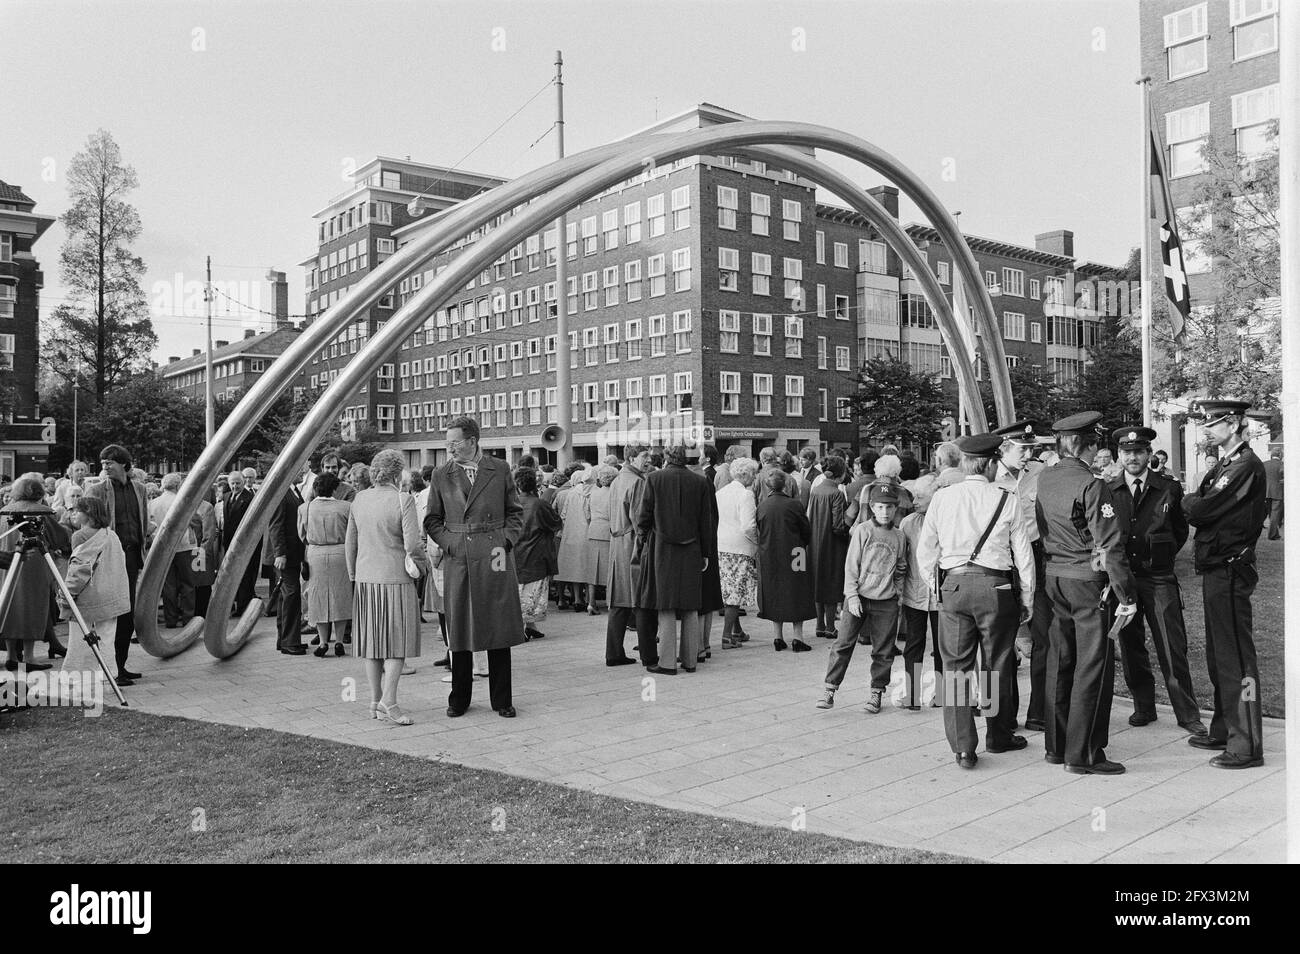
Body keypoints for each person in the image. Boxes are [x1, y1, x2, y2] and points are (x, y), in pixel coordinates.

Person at [917, 435, 1035, 769]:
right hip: (995, 586)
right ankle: (998, 736)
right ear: (991, 463)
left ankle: (963, 747)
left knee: (955, 668)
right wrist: (1026, 596)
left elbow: (925, 550)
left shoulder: (943, 498)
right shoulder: (1006, 497)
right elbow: (1023, 555)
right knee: (997, 664)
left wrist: (937, 587)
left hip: (953, 585)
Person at [1036, 412, 1137, 775]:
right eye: (1095, 445)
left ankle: (1056, 745)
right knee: (1092, 666)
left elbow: (1043, 527)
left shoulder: (1046, 478)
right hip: (1087, 581)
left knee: (1060, 661)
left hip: (1055, 576)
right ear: (1084, 444)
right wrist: (1126, 595)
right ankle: (1084, 754)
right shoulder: (1092, 485)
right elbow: (1110, 545)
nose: (1098, 452)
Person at [1182, 399, 1268, 769]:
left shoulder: (1246, 465)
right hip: (1217, 567)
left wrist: (1190, 501)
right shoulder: (1227, 464)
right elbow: (1203, 502)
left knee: (1237, 660)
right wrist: (1196, 501)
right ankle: (1223, 727)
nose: (1207, 429)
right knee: (1220, 655)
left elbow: (1202, 509)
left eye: (1213, 423)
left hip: (1231, 569)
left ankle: (1246, 744)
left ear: (1233, 424)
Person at [425, 416, 526, 718]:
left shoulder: (500, 469)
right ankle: (460, 698)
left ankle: (502, 699)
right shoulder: (442, 474)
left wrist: (505, 542)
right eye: (447, 443)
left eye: (454, 442)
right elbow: (431, 519)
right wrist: (451, 545)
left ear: (472, 441)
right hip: (460, 557)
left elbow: (515, 513)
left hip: (494, 555)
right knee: (460, 628)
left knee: (497, 626)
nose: (450, 447)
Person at [1107, 426, 1206, 736]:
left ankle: (1188, 714)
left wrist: (1159, 555)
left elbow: (1179, 531)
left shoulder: (1168, 488)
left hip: (1159, 578)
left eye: (1138, 452)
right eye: (1127, 452)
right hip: (1125, 580)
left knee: (1171, 646)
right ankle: (1143, 706)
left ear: (1148, 455)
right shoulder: (1108, 490)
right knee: (1132, 645)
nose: (1133, 457)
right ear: (1119, 455)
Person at [346, 450, 427, 725]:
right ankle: (389, 701)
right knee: (396, 643)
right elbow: (413, 544)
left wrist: (354, 575)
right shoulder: (402, 500)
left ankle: (374, 699)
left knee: (372, 643)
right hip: (396, 578)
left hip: (366, 578)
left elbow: (351, 543)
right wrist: (422, 566)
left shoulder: (359, 499)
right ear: (397, 473)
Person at [818, 482, 908, 713]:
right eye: (880, 507)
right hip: (858, 597)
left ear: (896, 509)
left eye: (889, 507)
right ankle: (830, 689)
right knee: (843, 644)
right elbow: (851, 566)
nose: (885, 512)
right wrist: (852, 596)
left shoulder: (899, 536)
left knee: (883, 650)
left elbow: (900, 567)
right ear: (872, 508)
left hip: (886, 601)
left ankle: (877, 692)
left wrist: (897, 594)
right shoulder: (863, 531)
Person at [634, 444, 716, 674]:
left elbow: (644, 516)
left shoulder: (654, 479)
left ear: (667, 458)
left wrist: (642, 540)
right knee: (690, 604)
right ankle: (690, 660)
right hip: (692, 548)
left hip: (662, 548)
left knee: (666, 603)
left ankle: (667, 662)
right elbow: (705, 522)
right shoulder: (700, 482)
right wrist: (706, 553)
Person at [992, 420, 1052, 733]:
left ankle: (1039, 713)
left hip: (1035, 560)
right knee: (996, 644)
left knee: (1043, 637)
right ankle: (997, 717)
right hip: (998, 563)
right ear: (1003, 448)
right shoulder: (986, 478)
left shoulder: (1041, 474)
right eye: (1022, 447)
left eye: (1031, 447)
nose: (1029, 453)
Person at [83, 445, 152, 686]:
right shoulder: (96, 490)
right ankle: (110, 669)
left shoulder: (140, 489)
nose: (104, 467)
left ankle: (120, 665)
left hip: (131, 557)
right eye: (102, 463)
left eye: (109, 462)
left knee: (126, 611)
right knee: (110, 612)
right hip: (107, 558)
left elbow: (144, 520)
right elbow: (85, 524)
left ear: (124, 463)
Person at [0, 474, 71, 672]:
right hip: (33, 569)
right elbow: (59, 538)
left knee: (9, 611)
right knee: (32, 610)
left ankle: (12, 656)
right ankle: (29, 657)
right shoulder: (39, 514)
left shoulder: (4, 513)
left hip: (7, 570)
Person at [60, 495, 130, 676]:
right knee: (107, 637)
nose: (73, 514)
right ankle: (110, 674)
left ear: (88, 514)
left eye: (77, 510)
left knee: (78, 639)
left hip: (87, 596)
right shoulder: (111, 534)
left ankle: (72, 675)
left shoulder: (80, 536)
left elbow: (79, 570)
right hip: (110, 594)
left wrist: (66, 595)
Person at [755, 470, 816, 653]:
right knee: (798, 590)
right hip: (796, 553)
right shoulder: (794, 505)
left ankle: (778, 636)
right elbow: (806, 531)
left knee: (774, 591)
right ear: (786, 485)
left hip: (770, 554)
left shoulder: (762, 506)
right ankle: (798, 637)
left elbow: (759, 530)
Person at [606, 443, 655, 666]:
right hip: (631, 544)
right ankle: (648, 653)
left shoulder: (617, 479)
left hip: (617, 543)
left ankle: (614, 652)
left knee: (619, 601)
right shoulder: (637, 482)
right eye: (645, 456)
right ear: (632, 457)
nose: (649, 460)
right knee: (641, 599)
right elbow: (639, 522)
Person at [299, 472, 352, 658]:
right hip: (340, 553)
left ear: (315, 488)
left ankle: (322, 642)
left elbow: (302, 535)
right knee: (341, 596)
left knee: (318, 597)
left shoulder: (304, 508)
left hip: (316, 554)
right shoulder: (346, 507)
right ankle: (338, 641)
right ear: (335, 488)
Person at [897, 484, 940, 709]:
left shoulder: (945, 519)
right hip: (914, 594)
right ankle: (912, 695)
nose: (914, 501)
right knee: (914, 644)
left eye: (920, 497)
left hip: (940, 595)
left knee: (943, 647)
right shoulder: (908, 522)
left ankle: (942, 693)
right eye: (914, 497)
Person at [715, 457, 759, 650]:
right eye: (754, 473)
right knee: (735, 592)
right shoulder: (746, 495)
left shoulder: (721, 492)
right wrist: (757, 542)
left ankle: (737, 630)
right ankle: (727, 636)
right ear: (746, 474)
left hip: (721, 544)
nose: (755, 477)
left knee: (729, 589)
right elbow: (748, 525)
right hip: (740, 547)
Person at [512, 467, 561, 641]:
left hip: (516, 552)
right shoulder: (539, 504)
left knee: (520, 591)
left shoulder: (512, 503)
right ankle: (524, 626)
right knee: (533, 593)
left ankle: (530, 626)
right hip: (536, 553)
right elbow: (556, 523)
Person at [269, 463, 311, 656]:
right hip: (286, 555)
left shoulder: (293, 491)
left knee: (287, 597)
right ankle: (289, 641)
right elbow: (276, 525)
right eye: (299, 468)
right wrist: (280, 553)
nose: (303, 471)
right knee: (291, 595)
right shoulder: (282, 494)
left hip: (293, 554)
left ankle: (286, 639)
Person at [807, 456, 850, 640]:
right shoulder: (837, 493)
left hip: (815, 541)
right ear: (840, 474)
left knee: (818, 583)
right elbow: (838, 525)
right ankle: (831, 627)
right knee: (832, 584)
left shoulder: (815, 489)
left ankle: (819, 624)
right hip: (832, 544)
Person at [150, 472, 198, 629]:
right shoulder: (183, 501)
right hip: (184, 546)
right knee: (187, 584)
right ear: (178, 485)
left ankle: (170, 619)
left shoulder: (153, 503)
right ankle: (188, 618)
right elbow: (195, 521)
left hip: (162, 548)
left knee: (168, 585)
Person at [220, 469, 262, 616]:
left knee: (244, 575)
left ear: (243, 483)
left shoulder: (250, 498)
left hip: (243, 544)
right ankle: (233, 603)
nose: (235, 486)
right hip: (229, 542)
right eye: (232, 483)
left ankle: (243, 607)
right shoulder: (226, 497)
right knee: (230, 575)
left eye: (238, 483)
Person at [555, 465, 593, 612]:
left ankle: (577, 598)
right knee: (588, 569)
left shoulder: (569, 493)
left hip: (570, 534)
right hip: (587, 534)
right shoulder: (592, 492)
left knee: (574, 569)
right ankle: (589, 599)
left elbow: (563, 515)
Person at [583, 464, 617, 614]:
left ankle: (591, 603)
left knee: (593, 569)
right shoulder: (614, 493)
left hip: (593, 530)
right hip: (608, 532)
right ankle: (610, 603)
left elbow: (587, 513)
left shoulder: (593, 492)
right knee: (609, 569)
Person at [1263, 450, 1283, 540]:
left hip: (1265, 492)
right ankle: (1272, 535)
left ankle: (1275, 533)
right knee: (1275, 513)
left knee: (1271, 513)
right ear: (1280, 455)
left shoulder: (1264, 464)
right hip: (1277, 492)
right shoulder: (1282, 464)